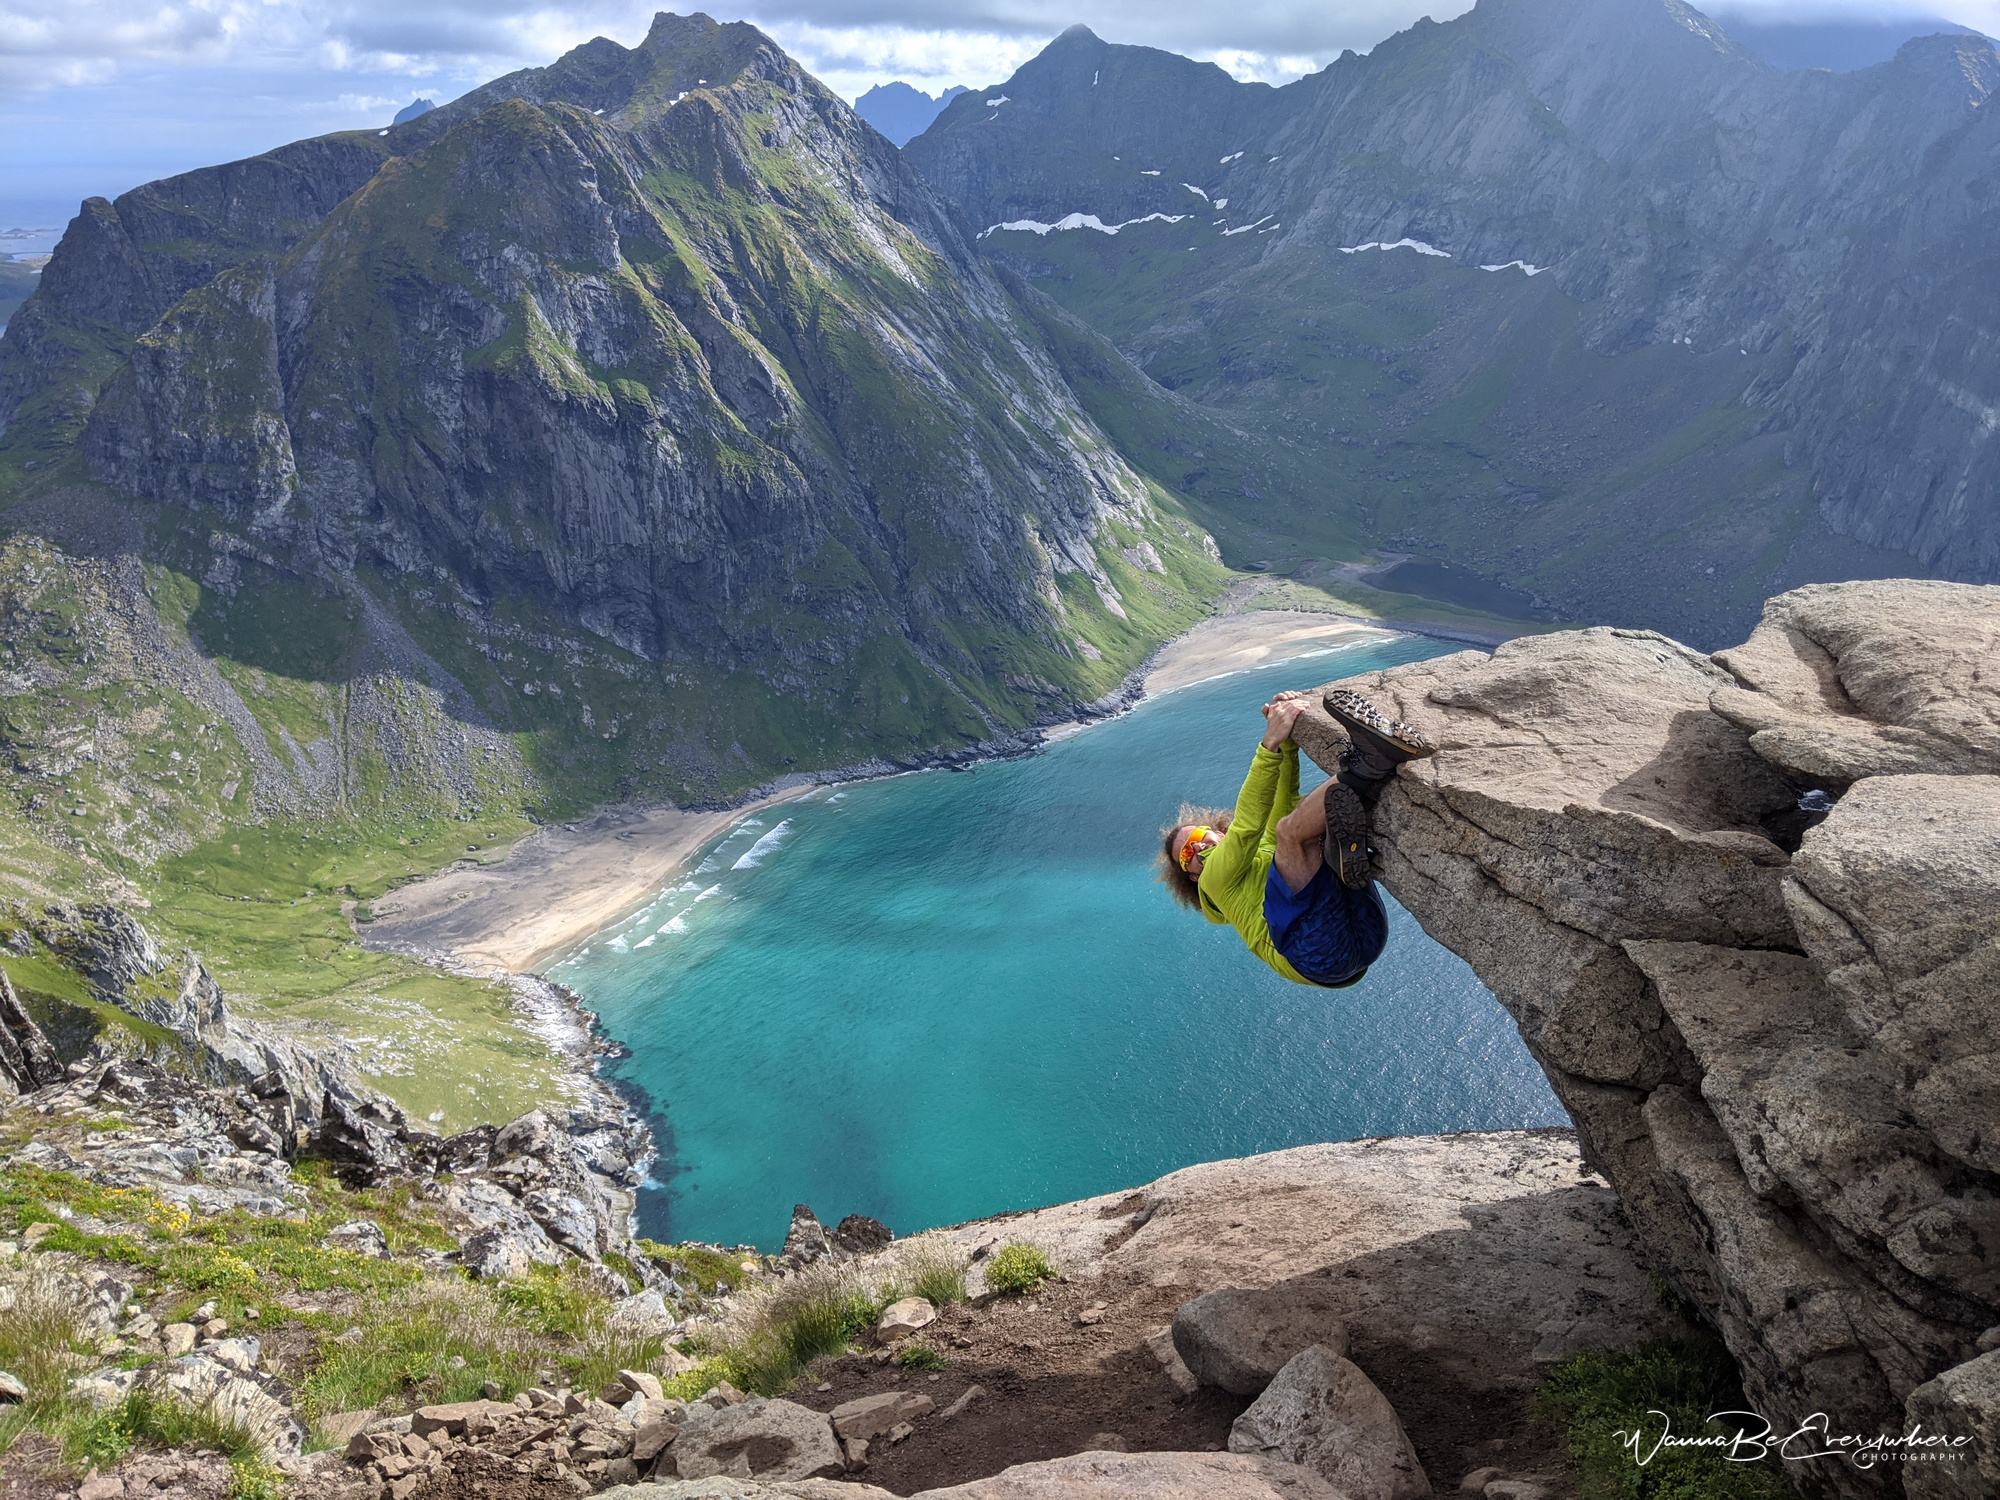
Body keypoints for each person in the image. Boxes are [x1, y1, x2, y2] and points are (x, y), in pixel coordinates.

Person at [1159, 688, 1435, 988]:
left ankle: (1337, 850)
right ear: (1193, 878)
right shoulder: (1214, 883)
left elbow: (1284, 799)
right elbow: (1246, 828)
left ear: (1218, 831)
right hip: (1317, 953)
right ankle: (1370, 762)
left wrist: (1287, 740)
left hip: (1366, 937)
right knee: (1290, 834)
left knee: (1299, 823)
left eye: (1197, 835)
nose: (1197, 846)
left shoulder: (1267, 855)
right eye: (1187, 855)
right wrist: (1270, 742)